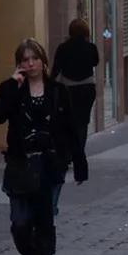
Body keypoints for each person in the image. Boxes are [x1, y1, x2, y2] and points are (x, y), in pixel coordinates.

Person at [0, 38, 86, 255]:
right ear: (19, 64)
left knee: (44, 221)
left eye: (34, 58)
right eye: (24, 60)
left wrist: (79, 163)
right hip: (21, 164)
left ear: (43, 61)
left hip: (50, 165)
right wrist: (12, 85)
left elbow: (71, 128)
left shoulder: (57, 90)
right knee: (20, 222)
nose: (30, 64)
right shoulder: (12, 89)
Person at [50, 19, 100, 157]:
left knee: (67, 120)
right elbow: (96, 61)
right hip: (87, 88)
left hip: (68, 89)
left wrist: (49, 83)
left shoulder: (63, 47)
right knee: (83, 122)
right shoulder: (91, 47)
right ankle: (79, 151)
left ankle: (68, 152)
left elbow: (56, 68)